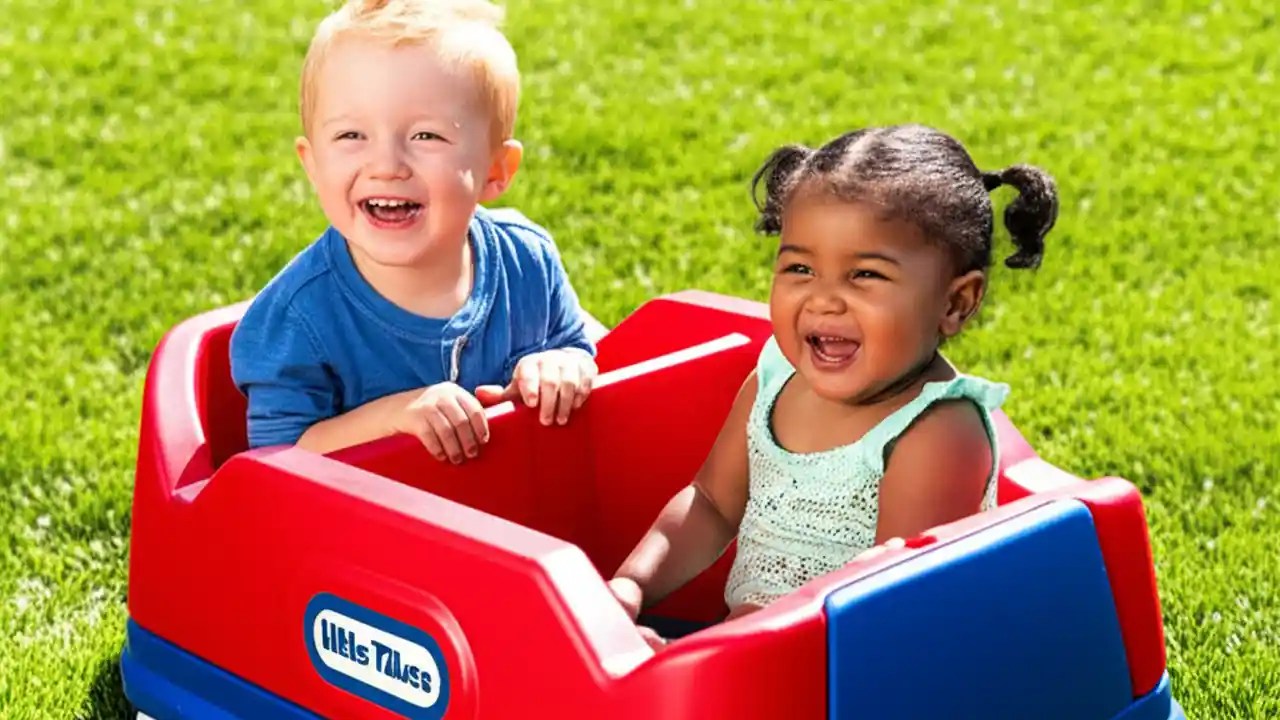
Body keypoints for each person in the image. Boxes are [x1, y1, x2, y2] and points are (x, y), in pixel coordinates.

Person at [607, 124, 1059, 647]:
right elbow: (711, 503)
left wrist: (731, 645)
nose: (824, 299)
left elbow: (890, 607)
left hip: (867, 673)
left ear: (955, 302)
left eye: (864, 275)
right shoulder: (775, 379)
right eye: (800, 267)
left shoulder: (937, 430)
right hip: (750, 648)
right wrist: (631, 587)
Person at [230, 0, 601, 464]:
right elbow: (276, 462)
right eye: (351, 136)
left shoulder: (527, 262)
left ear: (495, 170)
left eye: (426, 136)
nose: (386, 165)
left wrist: (564, 367)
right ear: (312, 163)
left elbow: (585, 350)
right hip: (371, 533)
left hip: (524, 526)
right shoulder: (296, 318)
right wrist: (393, 416)